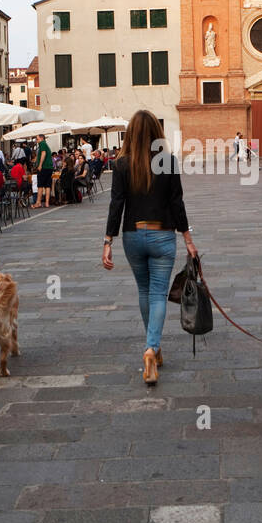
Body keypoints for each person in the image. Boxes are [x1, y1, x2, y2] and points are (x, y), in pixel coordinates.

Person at [102, 110, 197, 387]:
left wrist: (108, 241)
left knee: (145, 292)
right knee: (157, 294)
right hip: (161, 235)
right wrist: (188, 240)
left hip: (132, 236)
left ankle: (153, 348)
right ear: (157, 132)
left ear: (130, 133)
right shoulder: (167, 161)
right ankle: (151, 348)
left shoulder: (121, 165)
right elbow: (177, 204)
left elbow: (116, 205)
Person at [34, 136, 54, 208]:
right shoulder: (46, 144)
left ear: (42, 138)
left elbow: (43, 153)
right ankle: (47, 203)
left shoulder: (42, 144)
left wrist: (40, 165)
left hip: (44, 167)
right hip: (49, 167)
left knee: (40, 185)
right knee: (47, 185)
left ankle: (38, 202)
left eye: (37, 139)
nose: (36, 140)